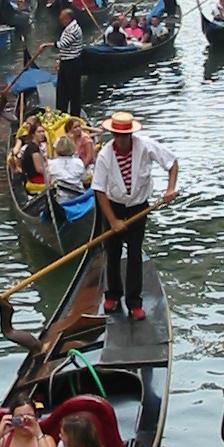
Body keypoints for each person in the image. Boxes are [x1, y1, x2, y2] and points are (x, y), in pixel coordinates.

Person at [92, 112, 178, 320]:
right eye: (118, 136)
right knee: (112, 253)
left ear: (131, 135)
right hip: (113, 207)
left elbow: (172, 163)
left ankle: (134, 302)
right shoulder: (104, 155)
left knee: (134, 254)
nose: (121, 140)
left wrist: (170, 189)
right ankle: (113, 295)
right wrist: (113, 221)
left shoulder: (146, 146)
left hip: (139, 208)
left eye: (125, 136)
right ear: (113, 135)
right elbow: (99, 189)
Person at [38, 9, 83, 116]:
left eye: (62, 19)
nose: (61, 21)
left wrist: (46, 45)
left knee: (73, 91)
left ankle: (75, 115)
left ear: (68, 18)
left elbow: (63, 44)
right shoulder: (69, 28)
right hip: (66, 62)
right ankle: (61, 113)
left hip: (72, 63)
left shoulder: (73, 29)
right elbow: (67, 49)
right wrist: (60, 59)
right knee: (62, 90)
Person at [19, 121, 48, 190]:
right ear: (33, 134)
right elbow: (39, 169)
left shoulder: (35, 146)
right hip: (35, 178)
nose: (42, 134)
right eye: (39, 132)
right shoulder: (33, 148)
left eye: (43, 132)